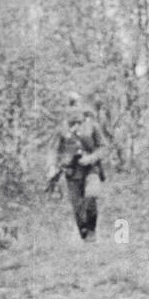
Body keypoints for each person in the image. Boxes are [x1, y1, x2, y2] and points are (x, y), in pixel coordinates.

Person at [54, 95, 104, 240]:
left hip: (91, 169)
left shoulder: (92, 126)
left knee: (91, 196)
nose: (74, 109)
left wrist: (91, 158)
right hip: (72, 172)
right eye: (71, 106)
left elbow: (103, 147)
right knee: (77, 206)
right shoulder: (62, 129)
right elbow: (54, 150)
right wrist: (52, 167)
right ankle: (83, 232)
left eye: (76, 106)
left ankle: (92, 230)